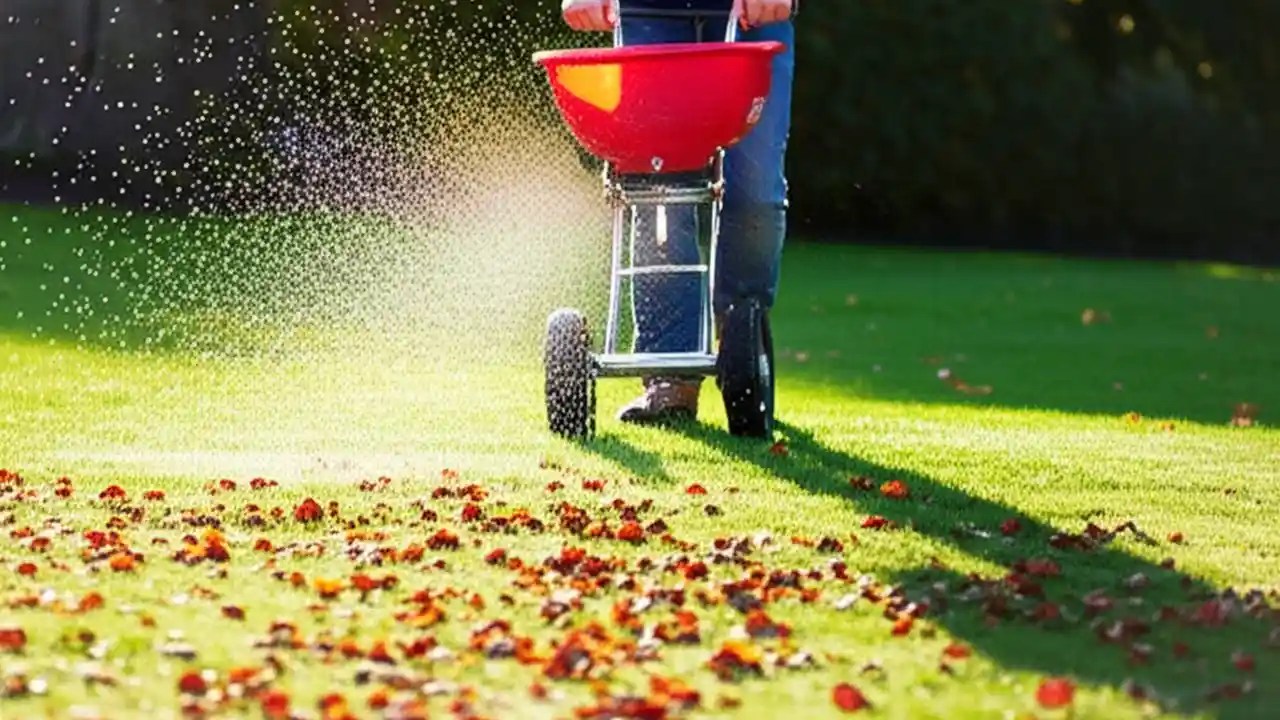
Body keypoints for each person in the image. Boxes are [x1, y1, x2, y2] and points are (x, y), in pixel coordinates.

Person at [560, 0, 796, 425]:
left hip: (748, 16)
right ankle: (670, 374)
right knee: (657, 187)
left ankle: (742, 339)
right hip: (647, 13)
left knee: (755, 191)